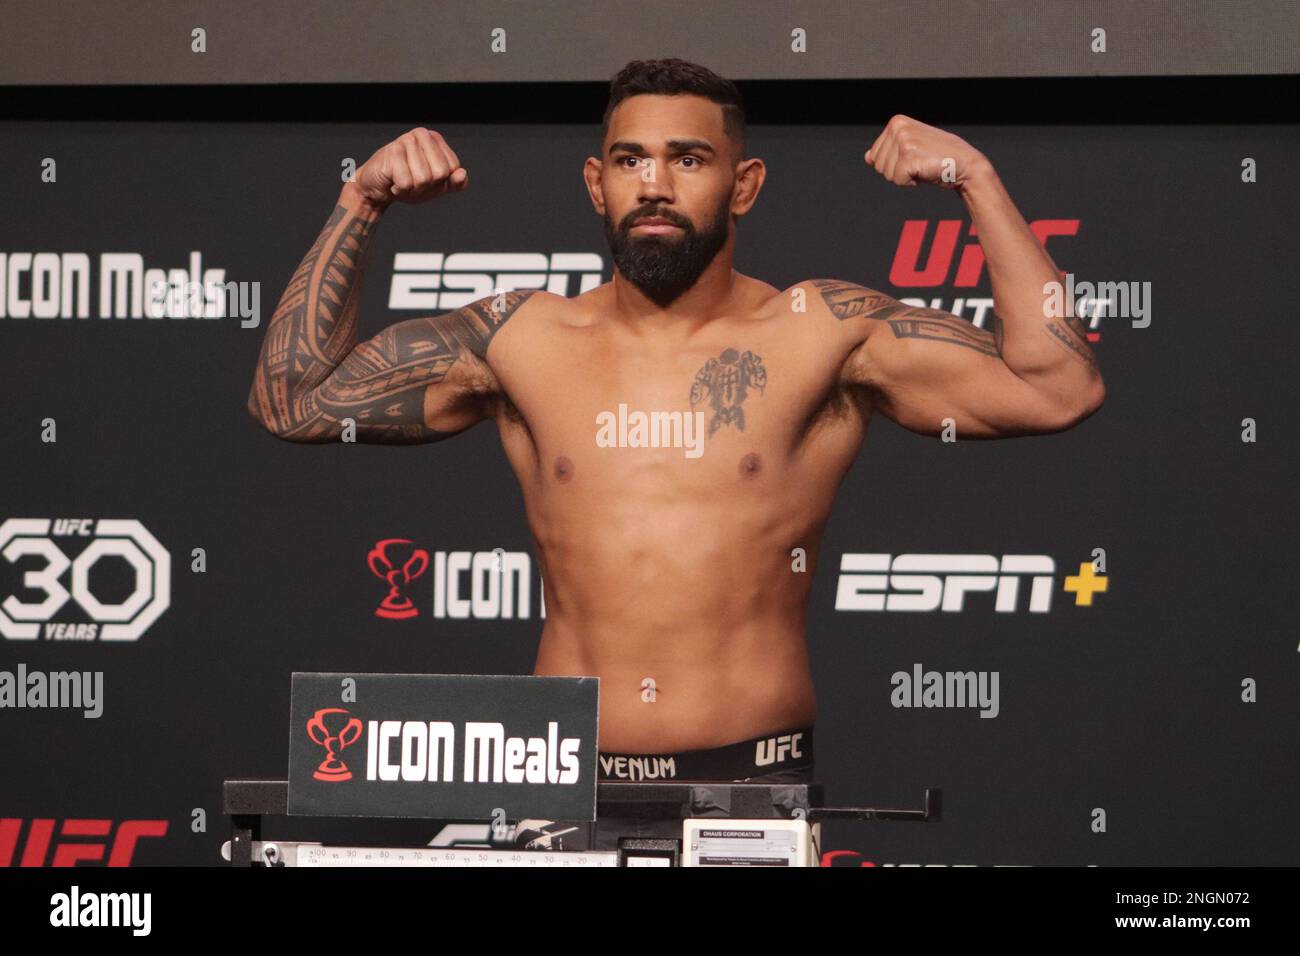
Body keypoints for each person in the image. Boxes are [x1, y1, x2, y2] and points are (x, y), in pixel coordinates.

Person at [247, 58, 1104, 851]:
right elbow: (290, 400)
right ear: (596, 183)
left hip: (755, 785)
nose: (653, 184)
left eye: (688, 160)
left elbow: (1058, 385)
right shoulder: (520, 339)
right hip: (562, 789)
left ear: (745, 185)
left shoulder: (825, 334)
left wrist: (977, 179)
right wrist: (361, 199)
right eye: (629, 160)